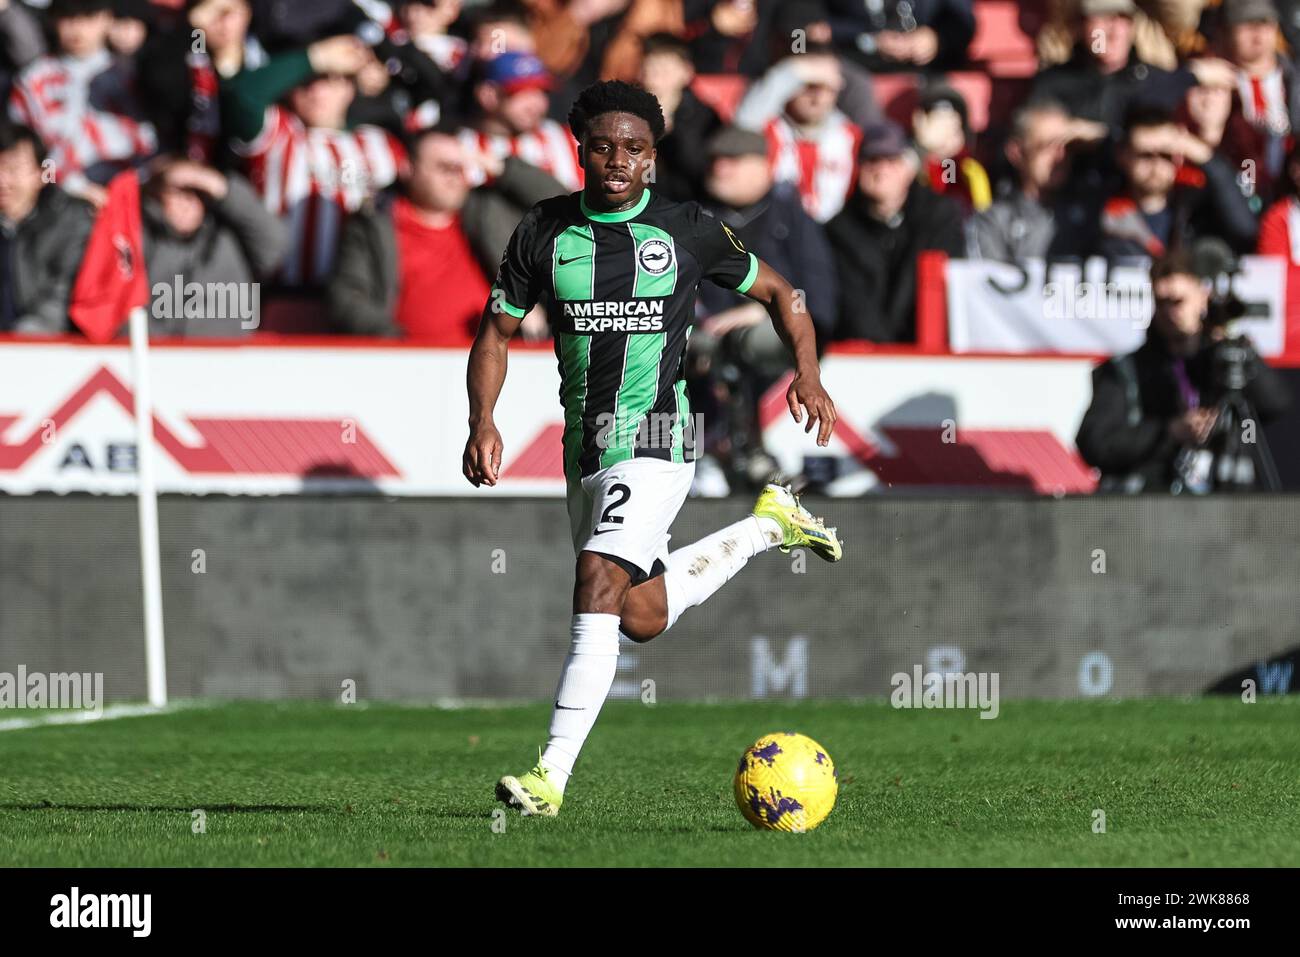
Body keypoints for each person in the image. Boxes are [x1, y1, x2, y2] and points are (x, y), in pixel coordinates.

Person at [463, 80, 843, 817]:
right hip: (587, 442)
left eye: (633, 148)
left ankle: (549, 776)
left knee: (597, 577)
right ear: (580, 148)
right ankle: (769, 524)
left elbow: (782, 293)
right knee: (639, 613)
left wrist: (809, 373)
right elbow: (496, 333)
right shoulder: (542, 229)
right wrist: (483, 419)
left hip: (660, 432)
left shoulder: (686, 228)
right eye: (603, 145)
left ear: (653, 158)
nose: (617, 159)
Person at [327, 125, 564, 341]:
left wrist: (501, 167)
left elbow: (565, 209)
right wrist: (397, 342)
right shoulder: (373, 223)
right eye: (444, 168)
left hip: (497, 361)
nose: (455, 177)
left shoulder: (486, 211)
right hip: (410, 366)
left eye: (460, 168)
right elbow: (348, 298)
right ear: (408, 168)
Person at [1075, 251, 1289, 491]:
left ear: (1202, 297)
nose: (1169, 312)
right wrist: (1171, 431)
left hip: (1226, 504)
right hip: (1154, 504)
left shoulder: (1222, 357)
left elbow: (1273, 405)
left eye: (1178, 302)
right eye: (1161, 302)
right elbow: (1095, 443)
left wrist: (1232, 343)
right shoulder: (1127, 370)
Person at [220, 35, 406, 291]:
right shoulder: (278, 132)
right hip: (278, 295)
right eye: (305, 83)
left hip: (356, 298)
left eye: (329, 80)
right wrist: (314, 58)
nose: (316, 92)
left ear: (350, 89)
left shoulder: (381, 145)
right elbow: (241, 97)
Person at [8, 0, 158, 207]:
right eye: (68, 18)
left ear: (107, 19)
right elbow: (24, 152)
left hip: (130, 199)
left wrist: (123, 189)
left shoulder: (134, 77)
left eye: (89, 18)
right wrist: (71, 187)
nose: (78, 29)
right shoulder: (33, 81)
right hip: (54, 203)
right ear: (54, 20)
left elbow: (151, 145)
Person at [826, 120, 964, 342]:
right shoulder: (838, 230)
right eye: (872, 160)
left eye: (892, 160)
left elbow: (941, 289)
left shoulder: (939, 217)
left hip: (928, 350)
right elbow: (852, 304)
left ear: (909, 169)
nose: (881, 170)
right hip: (866, 356)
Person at [141, 158, 289, 336]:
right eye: (178, 192)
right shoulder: (142, 234)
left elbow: (275, 245)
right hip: (159, 356)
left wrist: (219, 186)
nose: (188, 202)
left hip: (229, 355)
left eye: (197, 193)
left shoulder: (229, 235)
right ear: (156, 195)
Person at [1097, 104, 1258, 260]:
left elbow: (1245, 231)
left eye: (1166, 155)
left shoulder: (1198, 208)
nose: (1156, 164)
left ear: (1179, 155)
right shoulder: (1103, 212)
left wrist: (1206, 157)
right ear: (1123, 156)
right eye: (1145, 155)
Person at [734, 43, 861, 223]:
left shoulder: (849, 135)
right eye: (809, 84)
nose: (817, 97)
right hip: (773, 227)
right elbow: (743, 123)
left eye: (827, 87)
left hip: (833, 233)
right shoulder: (769, 128)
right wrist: (794, 69)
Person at [968, 99, 1104, 261]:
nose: (1060, 156)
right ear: (1016, 152)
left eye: (1068, 146)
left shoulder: (1091, 213)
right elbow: (986, 280)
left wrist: (1103, 139)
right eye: (1048, 146)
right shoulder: (994, 220)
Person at [0, 123, 94, 334]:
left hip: (47, 352)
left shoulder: (71, 221)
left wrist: (15, 346)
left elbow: (61, 300)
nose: (2, 180)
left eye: (12, 169)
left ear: (41, 174)